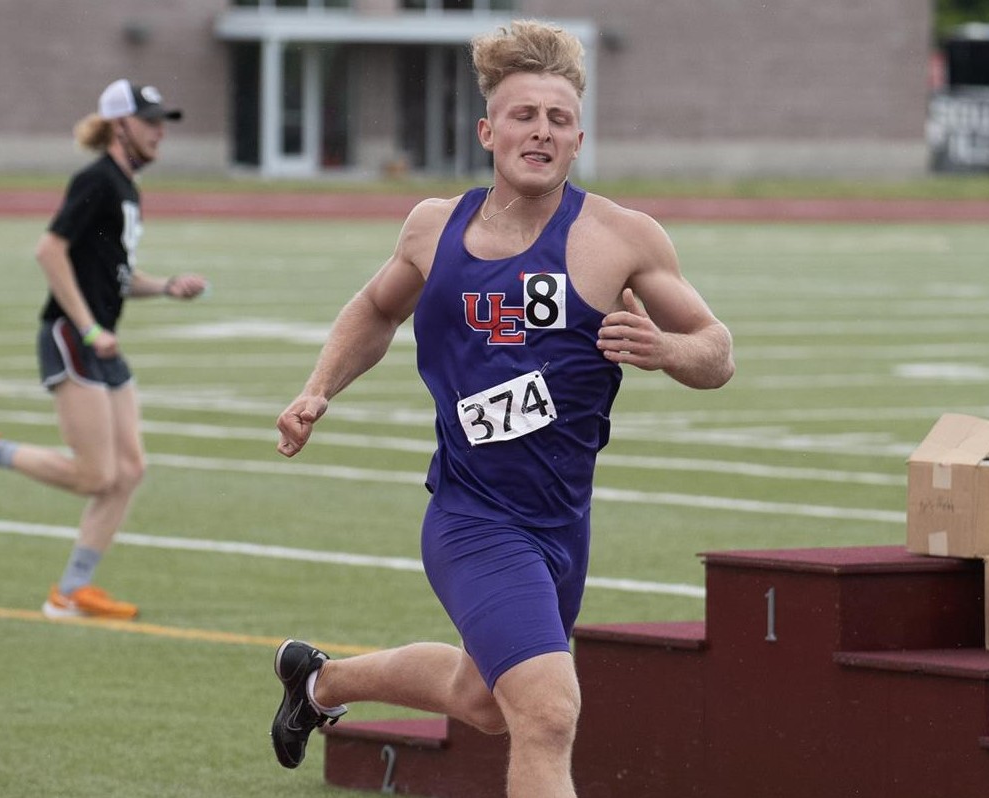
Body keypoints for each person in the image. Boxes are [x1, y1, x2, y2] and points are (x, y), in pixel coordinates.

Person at [270, 20, 734, 798]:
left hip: (562, 521)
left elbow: (716, 350)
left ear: (577, 138)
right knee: (547, 715)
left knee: (483, 701)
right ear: (488, 129)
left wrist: (663, 350)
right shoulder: (432, 227)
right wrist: (318, 388)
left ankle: (318, 682)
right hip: (471, 516)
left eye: (558, 120)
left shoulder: (620, 237)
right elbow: (376, 310)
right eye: (524, 115)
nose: (540, 132)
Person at [0, 79, 208, 621]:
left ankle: (72, 591)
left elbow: (115, 274)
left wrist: (167, 286)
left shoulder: (126, 187)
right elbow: (49, 251)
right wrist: (87, 328)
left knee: (129, 470)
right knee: (95, 475)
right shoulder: (96, 180)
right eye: (149, 121)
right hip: (72, 338)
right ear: (118, 126)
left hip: (101, 340)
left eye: (161, 121)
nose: (159, 131)